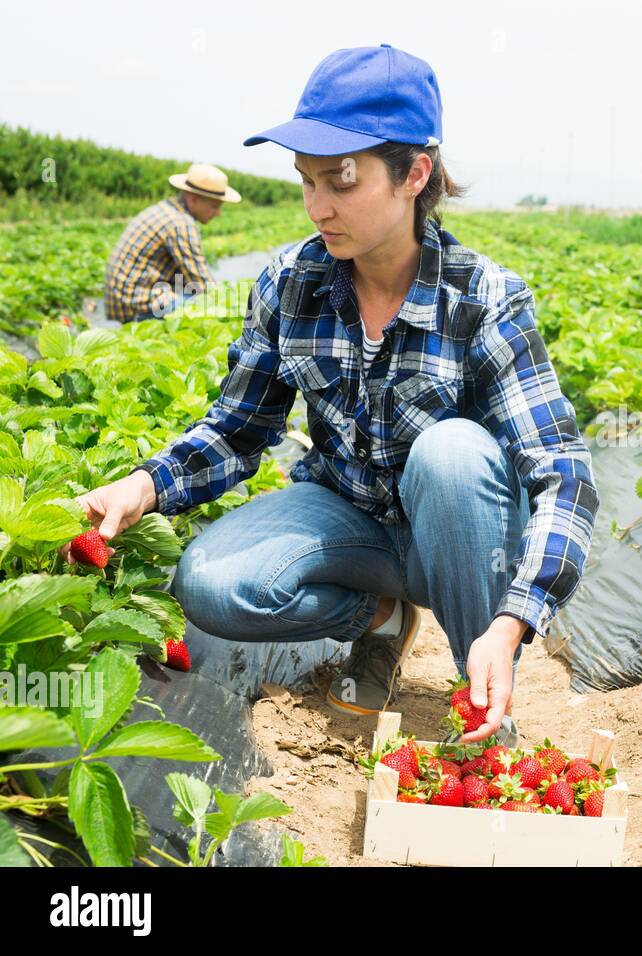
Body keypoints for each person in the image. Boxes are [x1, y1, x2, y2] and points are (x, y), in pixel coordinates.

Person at [64, 44, 600, 743]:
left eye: (341, 182)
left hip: (464, 543)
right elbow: (238, 427)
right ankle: (381, 620)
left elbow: (564, 471)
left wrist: (514, 617)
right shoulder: (291, 283)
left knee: (451, 454)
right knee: (208, 584)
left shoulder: (484, 297)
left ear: (415, 174)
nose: (319, 206)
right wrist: (145, 485)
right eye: (306, 181)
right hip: (353, 525)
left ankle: (485, 710)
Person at [104, 163, 236, 323]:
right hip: (138, 307)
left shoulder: (166, 210)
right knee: (208, 309)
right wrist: (232, 307)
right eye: (215, 206)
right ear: (193, 199)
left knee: (191, 293)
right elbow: (201, 282)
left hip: (123, 301)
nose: (218, 213)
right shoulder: (181, 223)